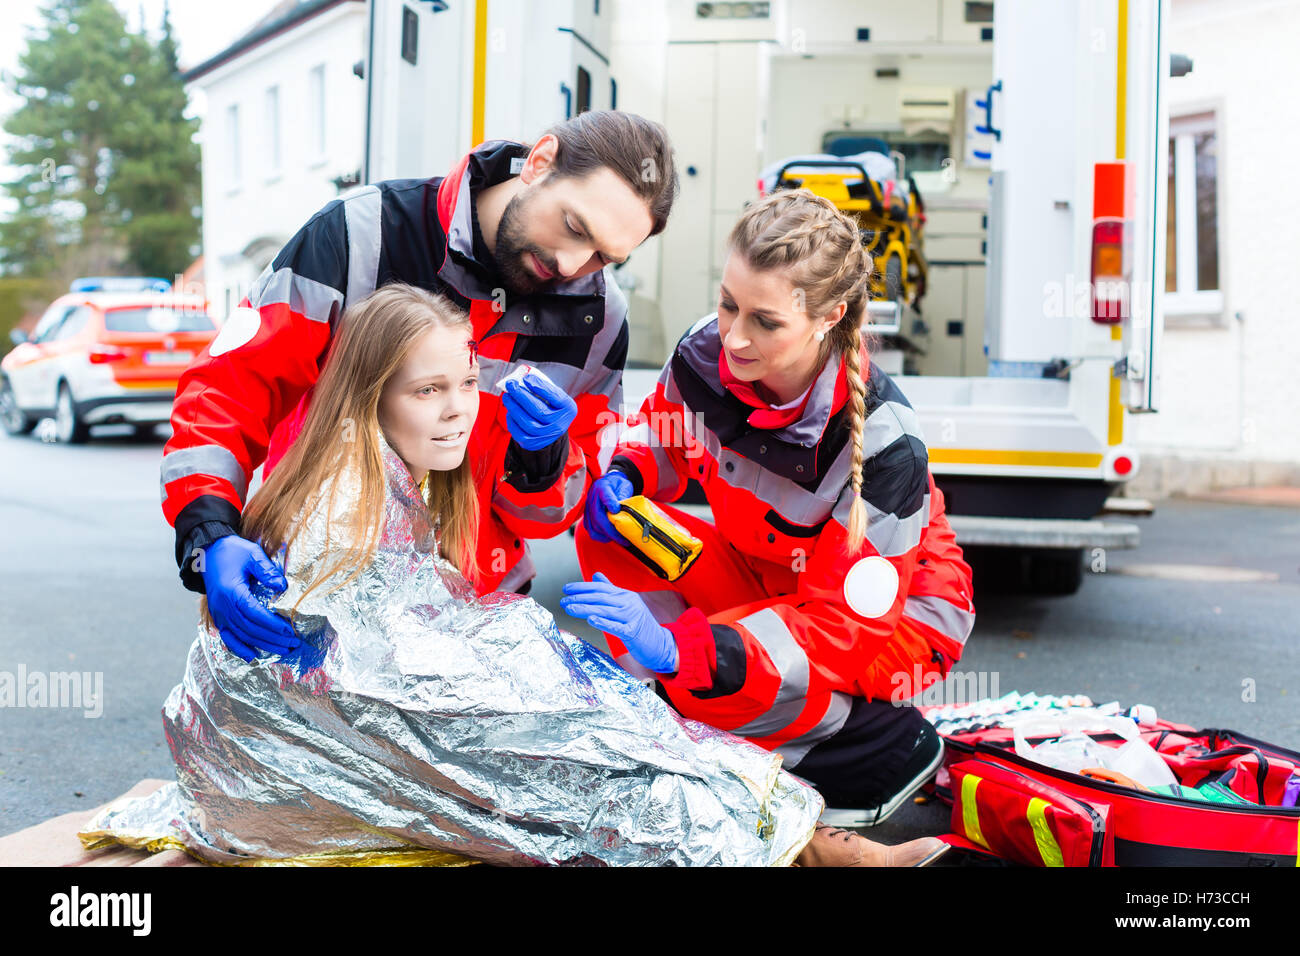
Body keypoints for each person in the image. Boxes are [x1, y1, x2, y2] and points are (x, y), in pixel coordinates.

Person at [98, 283, 946, 867]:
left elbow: (478, 565)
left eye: (468, 382)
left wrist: (548, 471)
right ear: (370, 394)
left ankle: (799, 833)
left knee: (604, 714)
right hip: (285, 757)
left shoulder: (396, 468)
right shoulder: (343, 492)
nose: (460, 408)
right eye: (429, 390)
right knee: (586, 749)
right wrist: (524, 661)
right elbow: (363, 668)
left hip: (347, 711)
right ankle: (807, 843)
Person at [161, 110, 678, 662]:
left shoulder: (599, 317)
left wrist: (543, 458)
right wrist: (210, 530)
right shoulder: (362, 234)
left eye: (603, 257)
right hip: (314, 593)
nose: (572, 264)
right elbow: (232, 387)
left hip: (473, 618)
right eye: (574, 226)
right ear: (541, 161)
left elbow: (550, 515)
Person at [563, 188, 976, 827]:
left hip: (895, 622)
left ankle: (872, 748)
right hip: (769, 574)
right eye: (728, 303)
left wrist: (687, 650)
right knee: (617, 531)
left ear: (830, 316)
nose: (734, 337)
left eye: (766, 321)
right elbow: (663, 435)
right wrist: (627, 471)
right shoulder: (703, 354)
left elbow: (843, 628)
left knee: (712, 671)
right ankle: (686, 707)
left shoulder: (886, 448)